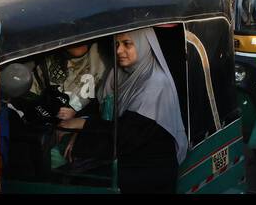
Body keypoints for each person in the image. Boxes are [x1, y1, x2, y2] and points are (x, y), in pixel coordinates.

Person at [59, 29, 187, 194]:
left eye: (127, 44)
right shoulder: (117, 74)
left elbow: (128, 135)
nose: (119, 50)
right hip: (125, 159)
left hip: (149, 170)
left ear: (143, 46)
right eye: (116, 44)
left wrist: (83, 125)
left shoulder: (156, 84)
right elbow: (101, 109)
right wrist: (80, 129)